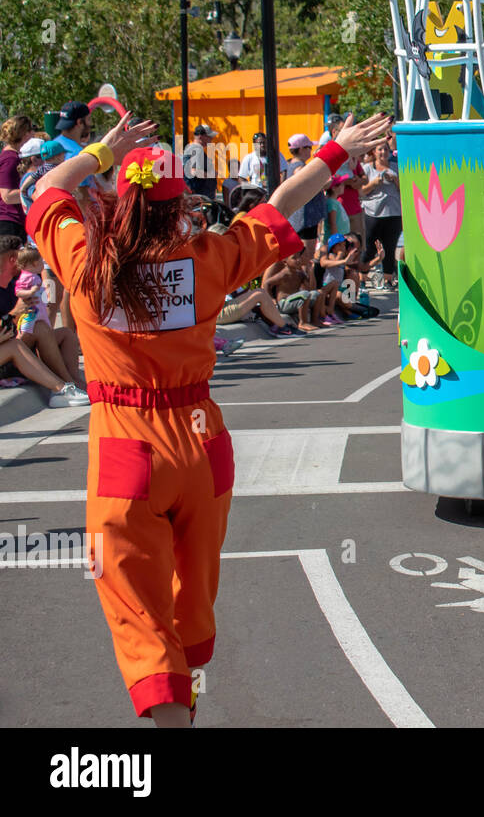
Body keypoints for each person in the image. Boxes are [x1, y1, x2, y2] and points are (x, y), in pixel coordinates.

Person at [25, 108, 389, 725]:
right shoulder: (207, 258)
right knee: (191, 599)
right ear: (178, 209)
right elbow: (281, 202)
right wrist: (336, 150)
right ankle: (188, 689)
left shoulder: (87, 263)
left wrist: (103, 152)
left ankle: (171, 712)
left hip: (124, 445)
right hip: (198, 442)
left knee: (137, 614)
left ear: (117, 204)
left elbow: (46, 191)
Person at [0, 234, 89, 405]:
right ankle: (62, 388)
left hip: (14, 342)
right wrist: (15, 313)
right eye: (21, 254)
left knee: (65, 334)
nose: (25, 257)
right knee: (37, 331)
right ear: (12, 259)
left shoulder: (15, 284)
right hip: (9, 352)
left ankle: (76, 383)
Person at [13, 245, 83, 386]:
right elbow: (19, 292)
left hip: (34, 324)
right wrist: (29, 294)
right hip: (23, 333)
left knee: (67, 334)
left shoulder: (31, 277)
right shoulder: (25, 279)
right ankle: (66, 383)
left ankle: (75, 379)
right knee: (42, 329)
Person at [360, 141, 401, 290]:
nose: (383, 152)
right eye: (380, 149)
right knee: (369, 247)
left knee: (390, 248)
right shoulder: (367, 169)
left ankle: (387, 280)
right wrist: (374, 183)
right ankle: (362, 279)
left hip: (394, 213)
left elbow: (405, 189)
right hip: (373, 213)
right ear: (374, 152)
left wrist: (395, 180)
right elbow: (362, 191)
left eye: (386, 149)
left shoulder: (396, 168)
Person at [283, 134, 327, 261]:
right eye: (308, 147)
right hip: (304, 218)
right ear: (301, 149)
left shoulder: (290, 164)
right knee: (305, 257)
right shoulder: (300, 168)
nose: (311, 150)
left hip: (300, 217)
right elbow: (308, 185)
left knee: (300, 256)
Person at [0, 116, 34, 237]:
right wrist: (34, 191)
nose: (34, 133)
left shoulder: (12, 156)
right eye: (32, 130)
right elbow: (7, 196)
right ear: (25, 134)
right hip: (9, 222)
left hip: (13, 221)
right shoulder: (10, 159)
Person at [182, 124, 220, 200]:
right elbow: (195, 172)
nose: (211, 139)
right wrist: (211, 174)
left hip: (199, 195)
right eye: (209, 137)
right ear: (200, 136)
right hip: (199, 197)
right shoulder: (196, 149)